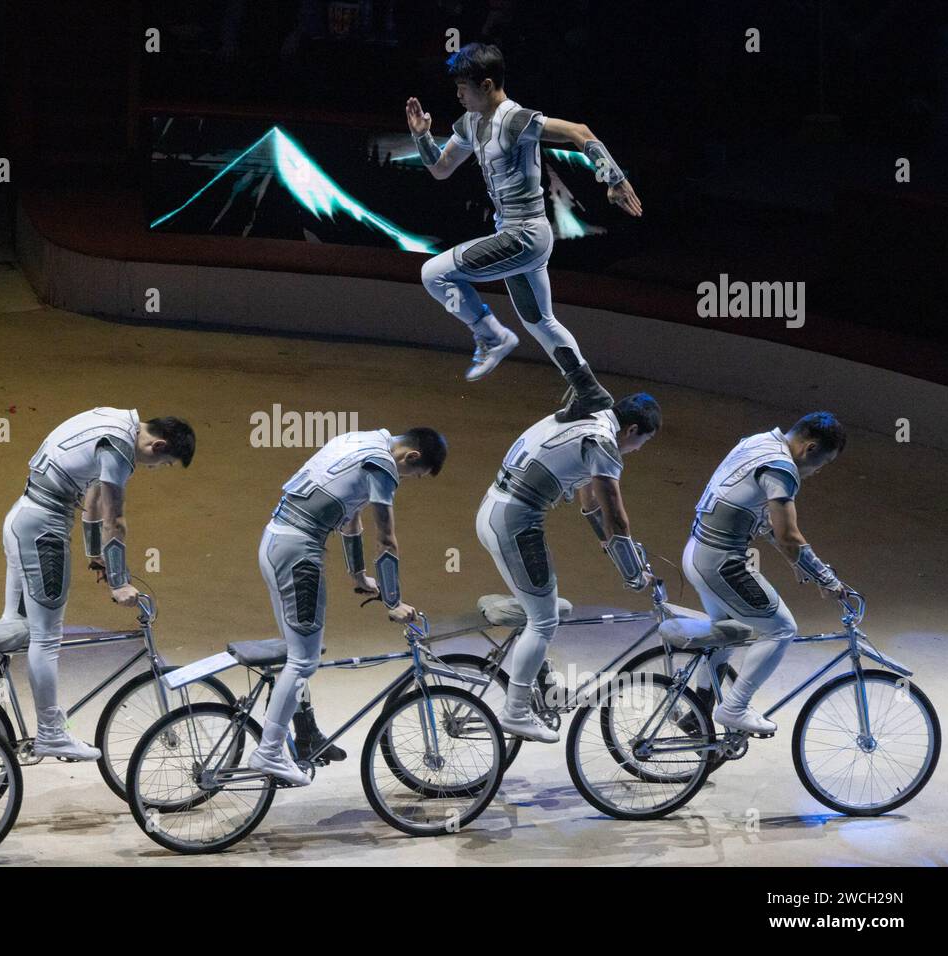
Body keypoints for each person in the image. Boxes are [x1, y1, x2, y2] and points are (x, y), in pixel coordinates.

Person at [408, 42, 643, 416]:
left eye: (463, 88)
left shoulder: (514, 120)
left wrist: (612, 178)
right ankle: (591, 391)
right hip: (518, 239)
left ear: (486, 85)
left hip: (524, 236)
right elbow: (440, 168)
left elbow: (578, 131)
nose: (458, 95)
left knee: (433, 274)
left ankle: (491, 336)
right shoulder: (471, 122)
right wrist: (422, 135)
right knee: (540, 321)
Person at [248, 426, 448, 785]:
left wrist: (358, 575)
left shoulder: (359, 440)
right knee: (304, 660)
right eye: (413, 475)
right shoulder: (385, 466)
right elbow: (386, 538)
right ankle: (270, 751)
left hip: (275, 541)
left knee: (297, 652)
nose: (407, 479)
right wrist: (393, 601)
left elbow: (351, 517)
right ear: (411, 457)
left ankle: (305, 732)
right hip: (297, 554)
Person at [2, 408, 194, 760]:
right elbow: (114, 519)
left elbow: (91, 497)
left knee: (14, 627)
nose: (155, 470)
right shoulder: (121, 449)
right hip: (43, 532)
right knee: (46, 637)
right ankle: (49, 733)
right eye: (163, 464)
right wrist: (119, 583)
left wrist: (95, 554)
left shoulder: (115, 420)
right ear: (158, 445)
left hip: (21, 519)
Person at [476, 394, 659, 741]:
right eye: (642, 442)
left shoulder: (589, 419)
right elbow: (616, 517)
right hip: (515, 523)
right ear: (632, 429)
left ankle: (540, 682)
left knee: (540, 608)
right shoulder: (605, 444)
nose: (637, 450)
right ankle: (515, 713)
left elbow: (589, 504)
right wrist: (633, 572)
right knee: (544, 620)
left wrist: (607, 545)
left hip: (494, 511)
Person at [684, 412, 848, 735]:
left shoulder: (759, 442)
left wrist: (800, 564)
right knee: (782, 629)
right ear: (810, 448)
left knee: (732, 627)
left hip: (695, 552)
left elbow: (767, 525)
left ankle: (699, 710)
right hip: (719, 564)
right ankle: (734, 708)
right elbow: (788, 536)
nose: (816, 472)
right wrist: (827, 578)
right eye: (822, 464)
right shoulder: (782, 469)